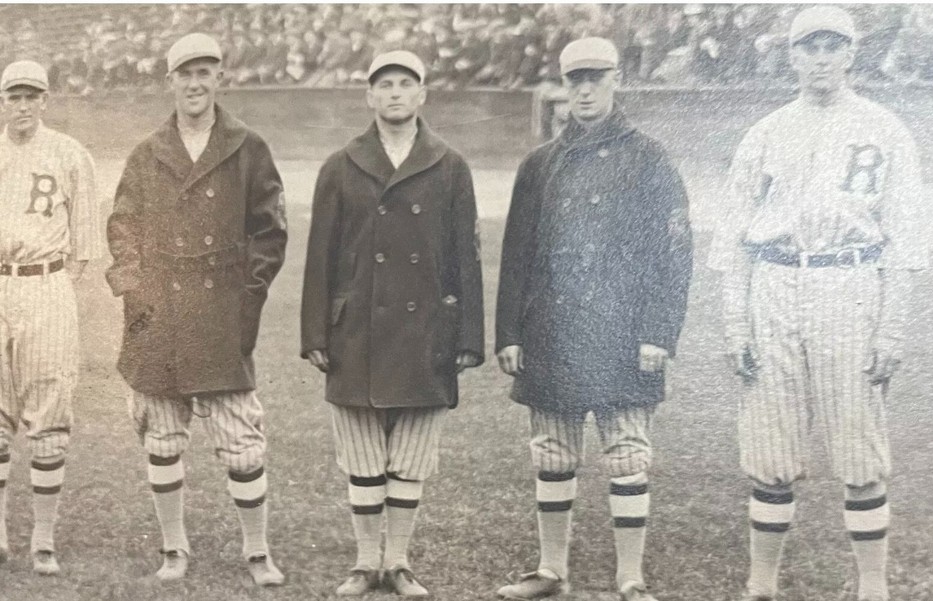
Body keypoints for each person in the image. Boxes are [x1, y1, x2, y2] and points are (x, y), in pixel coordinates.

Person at [708, 7, 926, 601]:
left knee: (858, 444)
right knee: (770, 445)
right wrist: (735, 327)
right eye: (811, 47)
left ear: (852, 54)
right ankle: (762, 583)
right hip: (775, 286)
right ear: (792, 55)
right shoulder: (766, 131)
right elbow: (732, 239)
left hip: (850, 286)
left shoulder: (885, 128)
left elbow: (905, 240)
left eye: (834, 47)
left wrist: (892, 332)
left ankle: (873, 586)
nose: (823, 58)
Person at [495, 38, 693, 601]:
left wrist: (660, 330)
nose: (584, 90)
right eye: (575, 79)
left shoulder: (649, 157)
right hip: (552, 328)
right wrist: (508, 331)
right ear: (563, 85)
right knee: (553, 452)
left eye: (596, 78)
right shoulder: (540, 164)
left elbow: (673, 253)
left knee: (627, 451)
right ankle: (551, 569)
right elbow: (517, 254)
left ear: (616, 80)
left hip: (624, 330)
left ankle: (630, 575)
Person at [105, 33, 287, 586]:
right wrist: (138, 294)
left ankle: (257, 552)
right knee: (162, 435)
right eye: (185, 73)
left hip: (221, 312)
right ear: (170, 82)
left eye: (204, 72)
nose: (194, 82)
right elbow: (123, 227)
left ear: (219, 79)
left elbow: (270, 233)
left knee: (240, 441)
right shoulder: (146, 151)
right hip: (161, 316)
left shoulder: (247, 146)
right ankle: (173, 548)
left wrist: (245, 300)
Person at [300, 50, 484, 597]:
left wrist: (470, 335)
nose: (396, 93)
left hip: (427, 326)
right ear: (369, 96)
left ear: (422, 94)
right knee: (360, 449)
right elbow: (320, 255)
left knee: (411, 454)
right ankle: (364, 562)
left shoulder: (450, 165)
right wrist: (314, 332)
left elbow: (465, 257)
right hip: (356, 327)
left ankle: (398, 561)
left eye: (406, 83)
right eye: (385, 84)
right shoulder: (341, 164)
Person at [0, 60, 100, 576]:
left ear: (45, 100)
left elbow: (85, 244)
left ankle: (43, 537)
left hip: (46, 283)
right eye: (14, 96)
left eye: (31, 96)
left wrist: (51, 288)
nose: (23, 106)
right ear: (3, 100)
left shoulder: (68, 153)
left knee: (49, 408)